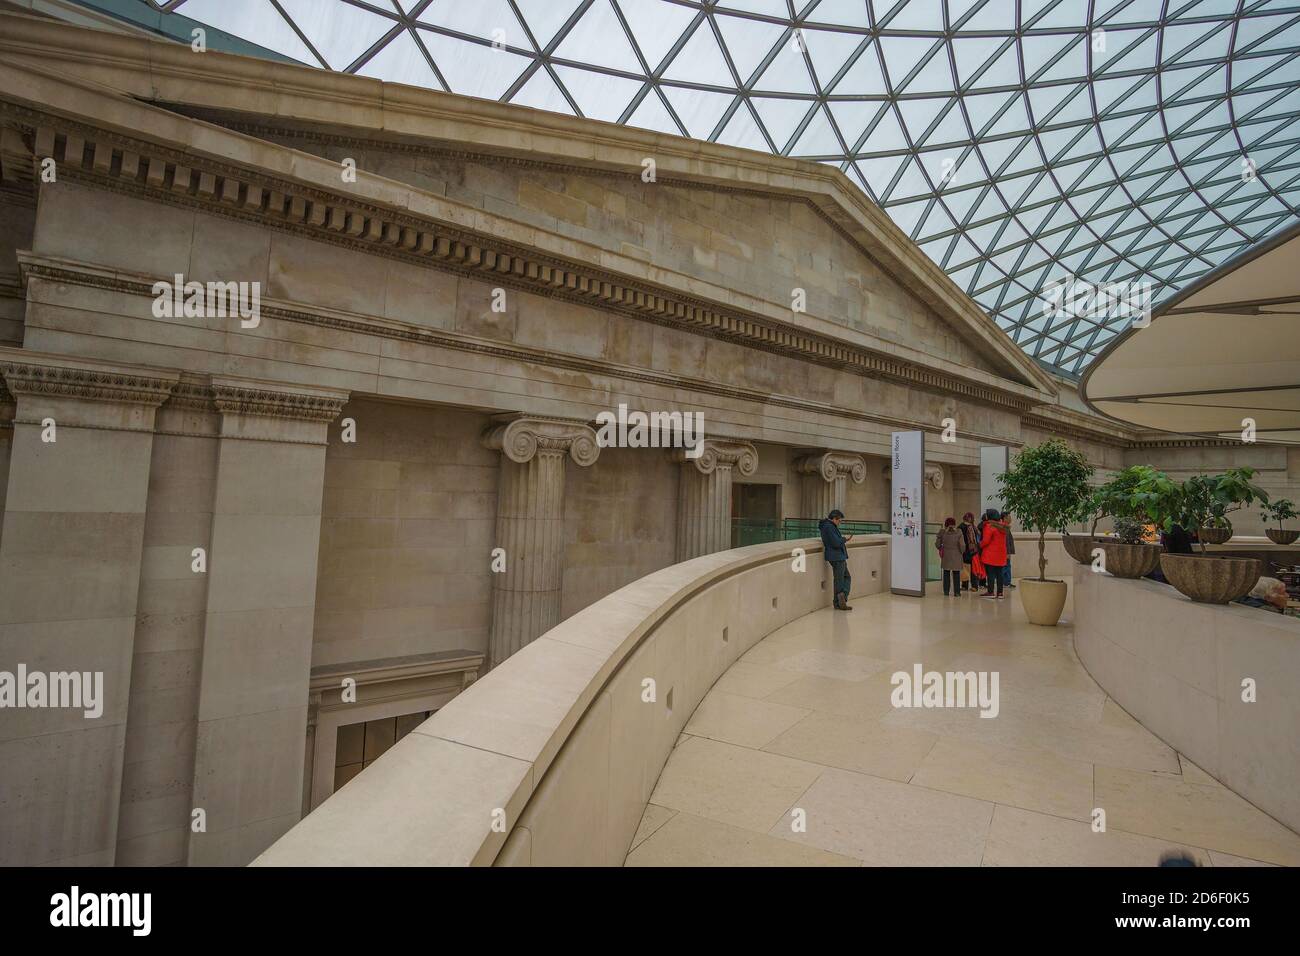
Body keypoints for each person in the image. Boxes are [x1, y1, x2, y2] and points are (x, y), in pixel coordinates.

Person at [819, 508, 854, 611]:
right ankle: (841, 600)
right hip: (836, 556)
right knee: (841, 579)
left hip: (837, 556)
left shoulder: (828, 526)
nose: (840, 523)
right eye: (839, 520)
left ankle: (839, 602)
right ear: (834, 518)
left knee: (843, 578)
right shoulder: (829, 527)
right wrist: (844, 539)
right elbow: (835, 542)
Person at [979, 508, 1008, 598]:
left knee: (990, 574)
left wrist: (979, 545)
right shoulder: (1003, 526)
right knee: (1000, 574)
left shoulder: (989, 526)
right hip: (1001, 554)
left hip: (990, 555)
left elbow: (986, 541)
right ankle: (1000, 593)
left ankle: (990, 592)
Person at [935, 517, 964, 597]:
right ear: (954, 524)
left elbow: (937, 544)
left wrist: (941, 548)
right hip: (957, 555)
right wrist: (962, 552)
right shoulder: (959, 532)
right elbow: (962, 545)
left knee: (946, 573)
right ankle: (957, 592)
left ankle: (946, 591)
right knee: (956, 574)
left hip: (946, 556)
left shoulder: (942, 532)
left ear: (946, 524)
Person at [959, 512, 980, 591]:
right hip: (973, 551)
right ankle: (974, 586)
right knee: (973, 569)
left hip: (964, 550)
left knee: (965, 568)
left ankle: (965, 586)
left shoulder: (960, 526)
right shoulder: (974, 527)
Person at [1000, 510, 1016, 590]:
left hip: (1007, 552)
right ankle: (1004, 582)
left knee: (1007, 566)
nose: (1010, 518)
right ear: (1004, 518)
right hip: (1005, 552)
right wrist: (1007, 553)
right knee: (1005, 567)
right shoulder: (1004, 528)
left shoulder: (1006, 527)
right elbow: (1006, 541)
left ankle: (1007, 582)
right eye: (1009, 517)